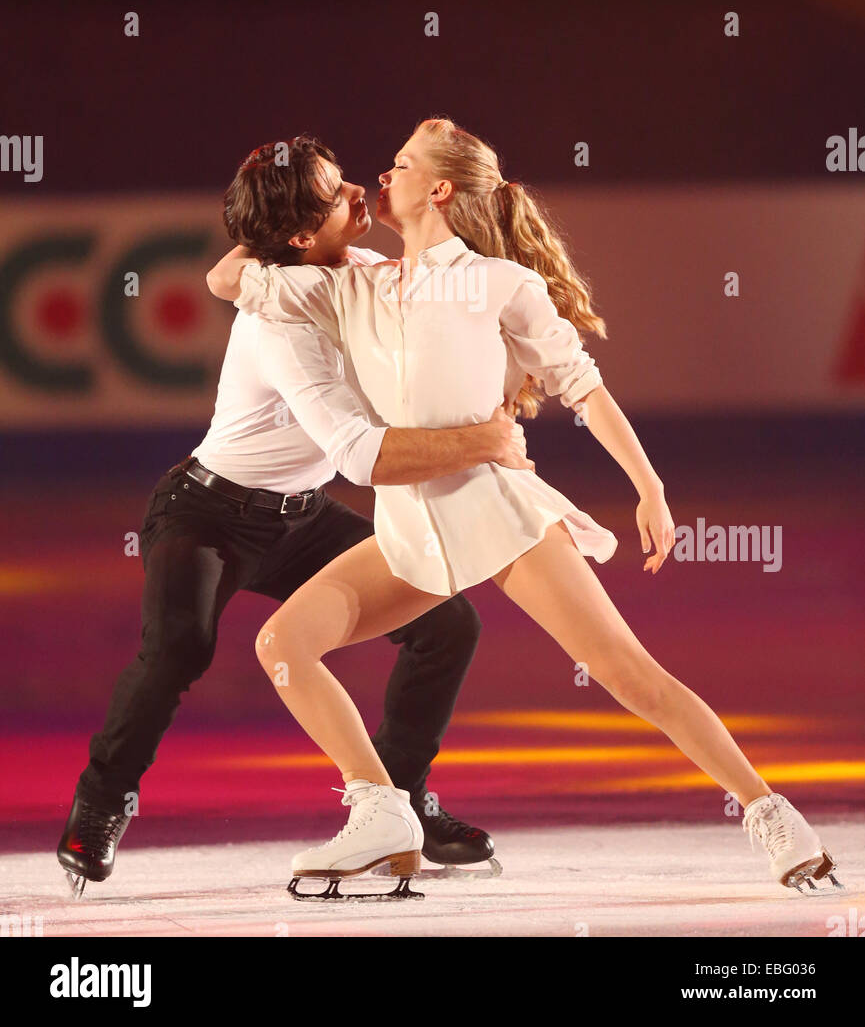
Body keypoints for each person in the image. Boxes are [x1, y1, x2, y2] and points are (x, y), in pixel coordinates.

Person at [208, 117, 843, 902]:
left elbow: (583, 385)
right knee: (285, 643)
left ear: (439, 188)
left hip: (495, 514)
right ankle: (381, 811)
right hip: (411, 527)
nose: (380, 176)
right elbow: (227, 276)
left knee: (628, 673)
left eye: (399, 165)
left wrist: (650, 487)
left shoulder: (499, 284)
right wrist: (292, 208)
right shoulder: (354, 284)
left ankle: (772, 812)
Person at [57, 136, 532, 897]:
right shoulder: (274, 319)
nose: (357, 191)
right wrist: (483, 442)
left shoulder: (364, 271)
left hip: (299, 517)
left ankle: (399, 803)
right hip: (206, 511)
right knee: (181, 647)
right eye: (335, 191)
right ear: (303, 239)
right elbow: (355, 453)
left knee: (446, 625)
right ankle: (102, 799)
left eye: (347, 175)